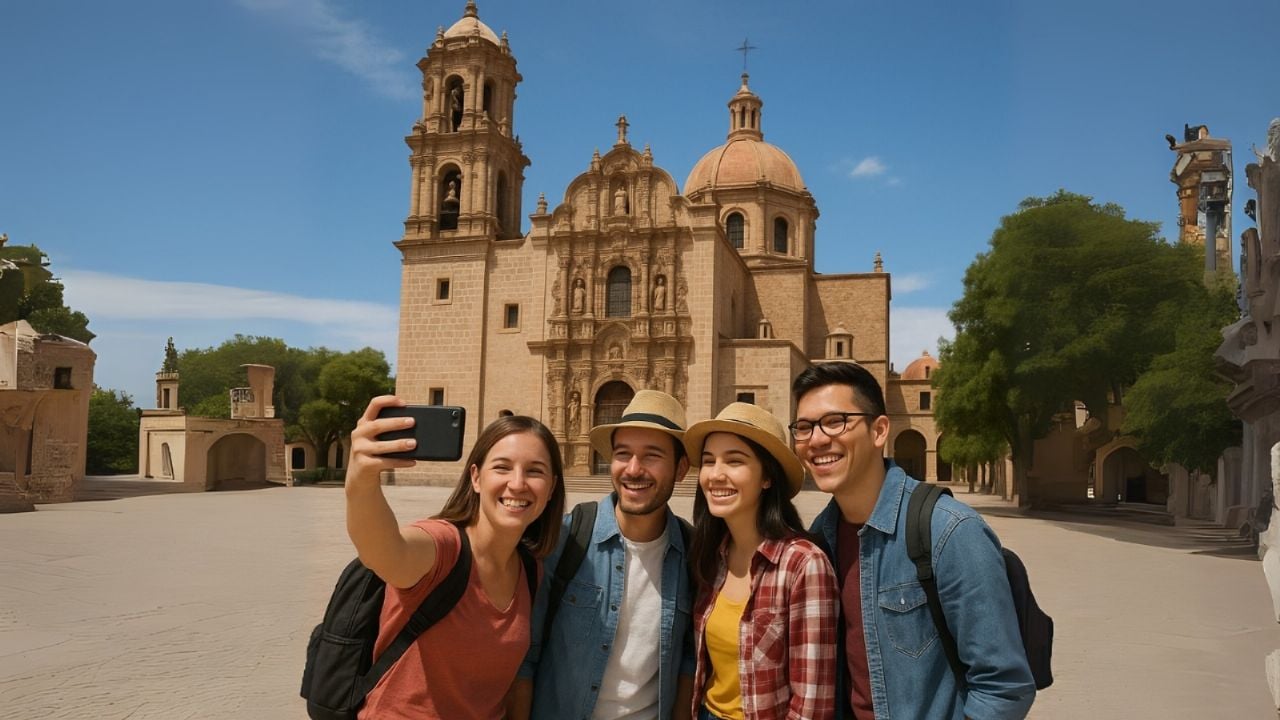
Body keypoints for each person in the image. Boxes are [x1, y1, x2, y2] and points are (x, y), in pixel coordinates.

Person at [791, 363, 1036, 719]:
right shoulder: (821, 535)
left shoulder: (950, 531)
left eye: (835, 421)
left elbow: (1003, 685)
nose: (816, 439)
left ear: (879, 431)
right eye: (804, 427)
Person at [345, 396, 566, 719]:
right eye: (502, 467)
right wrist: (361, 481)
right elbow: (384, 551)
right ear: (476, 477)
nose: (517, 484)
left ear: (551, 488)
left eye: (535, 471)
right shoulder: (443, 545)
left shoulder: (530, 571)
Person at [511, 390, 696, 720]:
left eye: (652, 455)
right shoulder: (567, 539)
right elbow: (525, 656)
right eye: (623, 454)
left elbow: (688, 662)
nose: (633, 469)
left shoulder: (694, 555)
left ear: (681, 469)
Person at [683, 402, 838, 720]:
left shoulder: (804, 566)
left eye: (734, 461)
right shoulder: (711, 556)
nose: (716, 474)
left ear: (767, 477)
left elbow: (811, 707)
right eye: (709, 461)